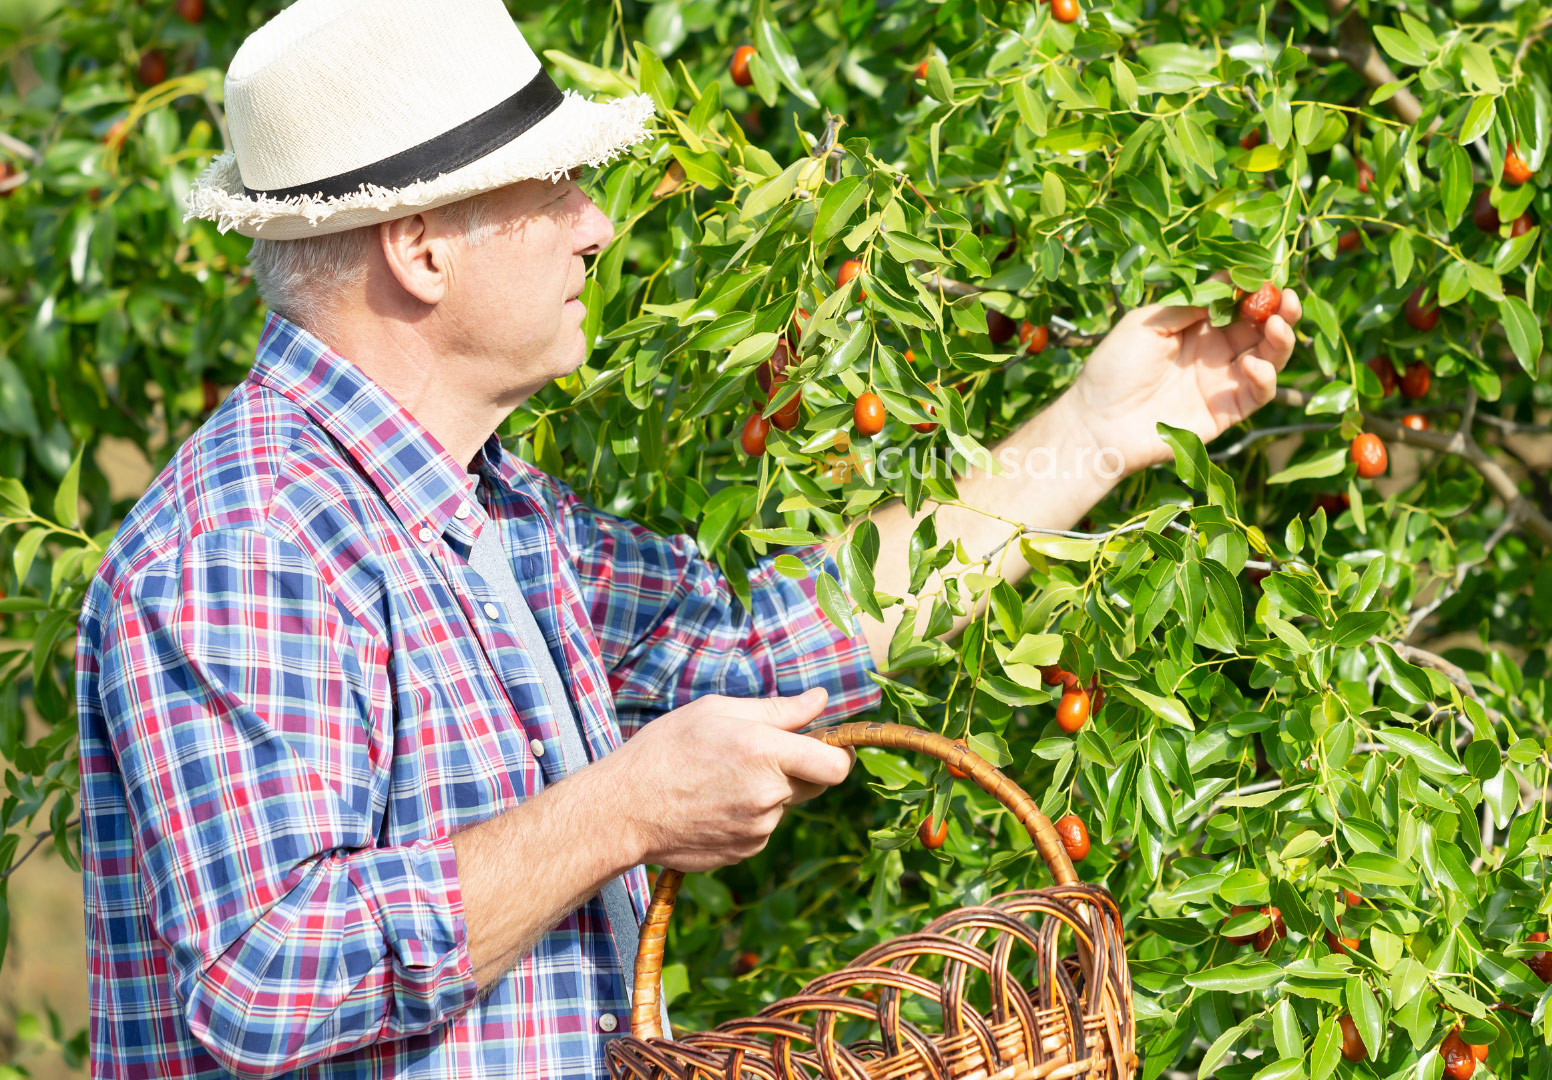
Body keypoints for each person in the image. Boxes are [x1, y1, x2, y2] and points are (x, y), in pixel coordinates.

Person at [75, 0, 1302, 1077]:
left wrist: (1096, 429)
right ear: (422, 247)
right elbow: (268, 974)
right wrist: (621, 811)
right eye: (551, 190)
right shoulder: (248, 542)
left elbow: (770, 645)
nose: (597, 225)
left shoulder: (501, 517)